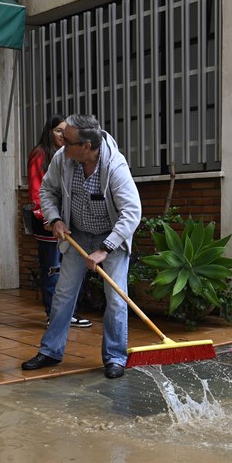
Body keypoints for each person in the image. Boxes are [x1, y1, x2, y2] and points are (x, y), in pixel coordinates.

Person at [22, 114, 142, 379]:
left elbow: (132, 212)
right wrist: (54, 219)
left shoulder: (115, 167)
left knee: (116, 298)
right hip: (76, 234)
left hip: (111, 238)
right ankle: (51, 351)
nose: (62, 145)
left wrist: (105, 249)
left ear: (86, 146)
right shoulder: (63, 159)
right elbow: (47, 191)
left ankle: (114, 357)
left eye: (68, 141)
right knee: (63, 294)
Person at [27, 116, 92, 329]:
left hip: (67, 220)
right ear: (49, 132)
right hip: (47, 221)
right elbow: (38, 191)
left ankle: (68, 313)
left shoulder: (69, 156)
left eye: (65, 132)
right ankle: (53, 315)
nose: (62, 136)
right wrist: (48, 218)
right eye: (57, 131)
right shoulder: (41, 154)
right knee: (52, 269)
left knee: (69, 269)